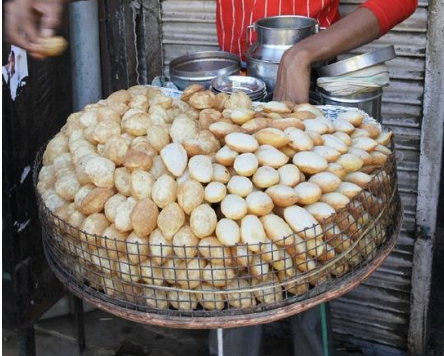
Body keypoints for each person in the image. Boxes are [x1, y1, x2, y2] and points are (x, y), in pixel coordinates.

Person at [4, 1, 417, 355]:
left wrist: (301, 55)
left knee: (309, 267)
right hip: (230, 98)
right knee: (228, 275)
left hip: (307, 99)